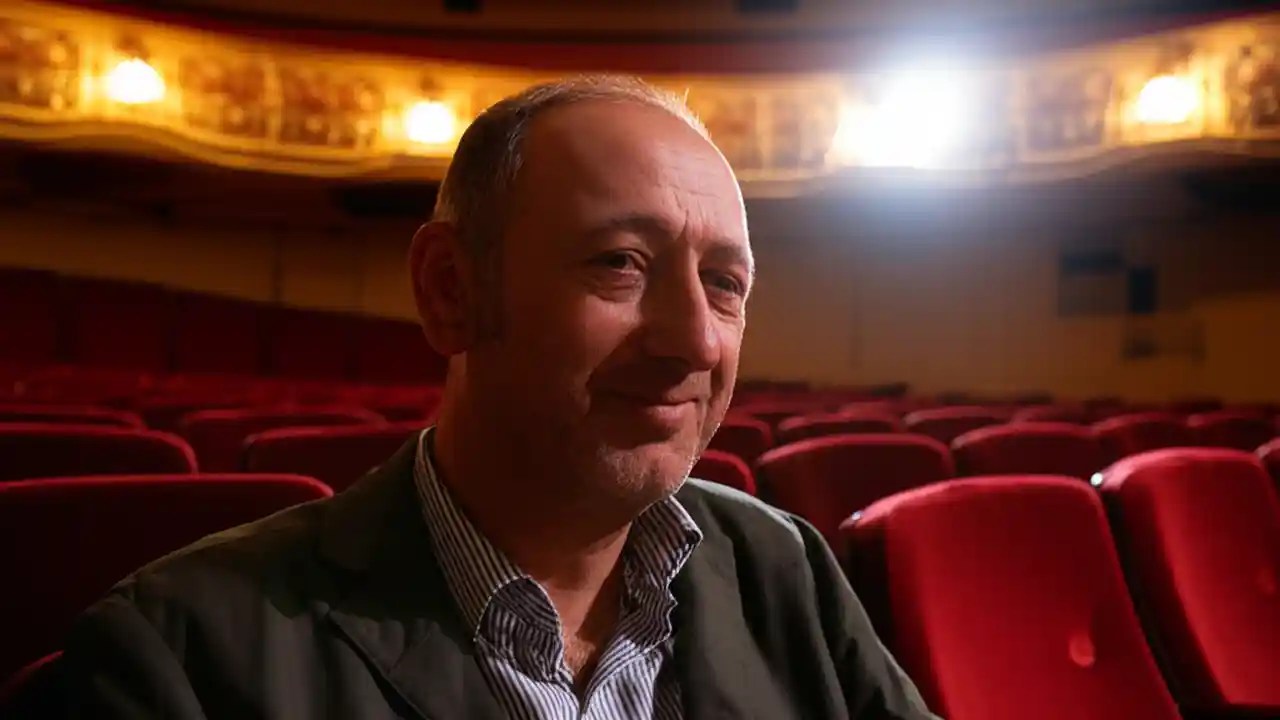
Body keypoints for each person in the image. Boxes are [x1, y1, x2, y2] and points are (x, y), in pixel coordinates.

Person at [35, 76, 937, 719]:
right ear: (450, 291)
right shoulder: (181, 654)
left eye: (725, 283)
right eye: (620, 263)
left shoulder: (785, 569)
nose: (698, 339)